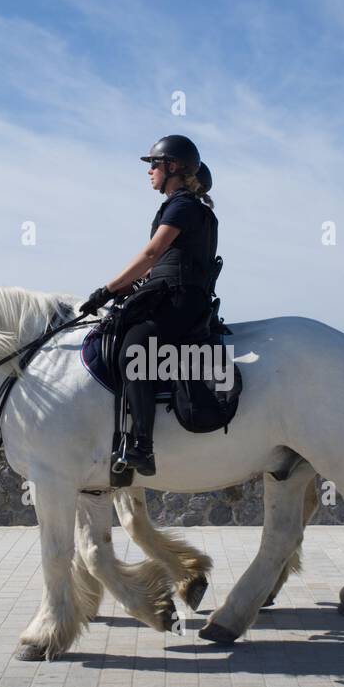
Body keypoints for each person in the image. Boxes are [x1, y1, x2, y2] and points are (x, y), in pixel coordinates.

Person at [81, 135, 219, 475]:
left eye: (154, 165)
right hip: (173, 295)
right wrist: (124, 290)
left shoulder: (183, 205)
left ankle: (143, 446)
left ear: (172, 167)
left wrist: (108, 288)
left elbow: (152, 253)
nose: (149, 172)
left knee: (134, 348)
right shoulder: (184, 205)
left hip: (179, 301)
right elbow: (162, 263)